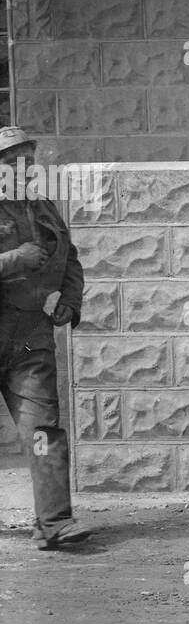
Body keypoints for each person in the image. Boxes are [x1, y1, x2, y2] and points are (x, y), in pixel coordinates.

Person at [0, 126, 91, 550]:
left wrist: (70, 302)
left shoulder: (43, 207)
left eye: (26, 158)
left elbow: (68, 256)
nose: (20, 166)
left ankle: (54, 523)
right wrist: (15, 258)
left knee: (43, 429)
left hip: (30, 335)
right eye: (9, 159)